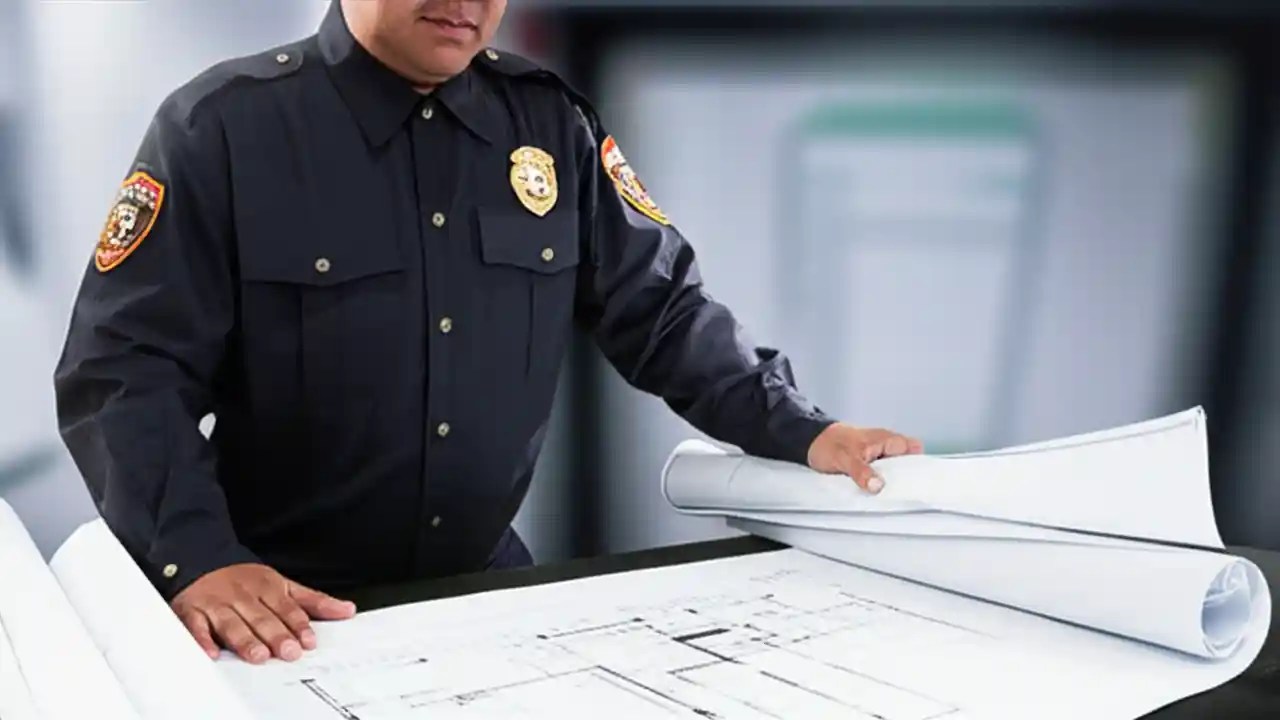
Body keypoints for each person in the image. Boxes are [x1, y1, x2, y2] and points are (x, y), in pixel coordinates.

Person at [53, 0, 923, 666]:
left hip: (489, 597)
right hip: (283, 613)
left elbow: (659, 312)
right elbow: (125, 371)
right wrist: (198, 560)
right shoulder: (223, 128)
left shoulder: (549, 125)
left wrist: (803, 430)